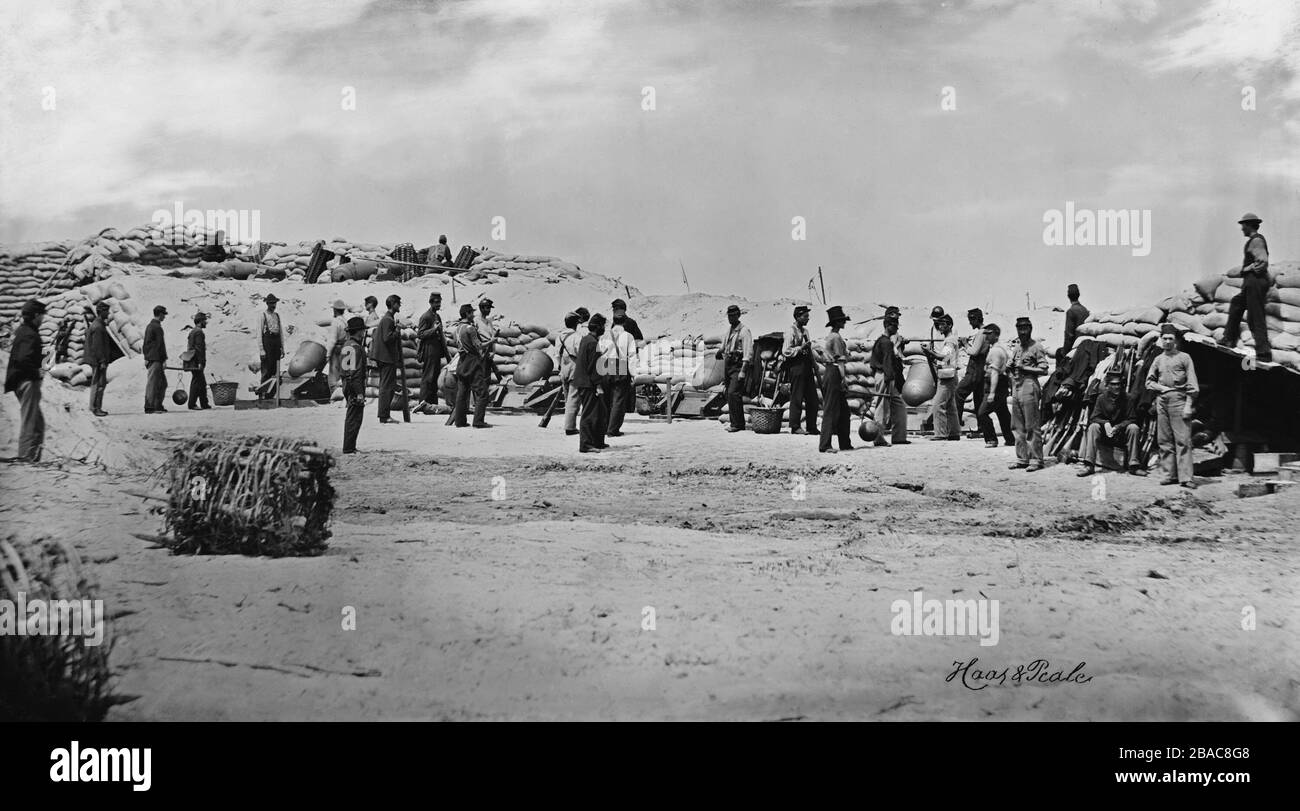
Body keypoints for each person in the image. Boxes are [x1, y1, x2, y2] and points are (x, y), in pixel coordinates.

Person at [1147, 323, 1200, 489]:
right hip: (1162, 401)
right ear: (1161, 340)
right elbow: (1149, 382)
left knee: (1183, 440)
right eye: (1164, 339)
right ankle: (1169, 475)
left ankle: (1186, 478)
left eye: (1170, 339)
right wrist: (1162, 388)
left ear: (1175, 340)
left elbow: (1192, 384)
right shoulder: (1158, 359)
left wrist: (1188, 405)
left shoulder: (1185, 358)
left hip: (1179, 400)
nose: (1167, 342)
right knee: (1164, 440)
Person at [1219, 213, 1273, 362]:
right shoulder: (1253, 240)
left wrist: (1246, 269)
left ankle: (1264, 351)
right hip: (1251, 282)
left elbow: (1262, 262)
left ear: (1249, 225)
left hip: (1255, 281)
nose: (1242, 228)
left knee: (1256, 315)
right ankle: (1229, 338)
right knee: (1237, 303)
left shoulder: (1256, 240)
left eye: (1243, 225)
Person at [1076, 372, 1143, 477]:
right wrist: (1105, 423)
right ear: (1107, 386)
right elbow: (1094, 418)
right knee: (1093, 427)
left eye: (1119, 384)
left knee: (1134, 428)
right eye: (1113, 384)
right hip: (1105, 434)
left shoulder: (1128, 398)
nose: (1117, 387)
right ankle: (1089, 465)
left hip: (1121, 434)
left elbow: (1132, 419)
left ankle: (1133, 465)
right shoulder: (1101, 398)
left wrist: (1118, 427)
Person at [5, 300, 47, 461]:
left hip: (25, 381)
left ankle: (33, 457)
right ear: (36, 315)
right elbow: (23, 359)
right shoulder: (29, 333)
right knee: (30, 422)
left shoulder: (25, 331)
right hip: (27, 382)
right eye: (42, 315)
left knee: (37, 423)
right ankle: (26, 458)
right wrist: (37, 371)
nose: (43, 318)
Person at [1007, 317, 1049, 471]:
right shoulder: (1017, 348)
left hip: (1030, 385)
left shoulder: (1036, 347)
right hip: (1017, 385)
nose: (1022, 332)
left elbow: (1044, 369)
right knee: (1017, 425)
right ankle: (1022, 458)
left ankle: (1036, 460)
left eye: (1025, 328)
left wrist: (1026, 369)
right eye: (1019, 328)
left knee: (1031, 424)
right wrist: (1010, 367)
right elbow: (1011, 367)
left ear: (1030, 329)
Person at [819, 306, 854, 453]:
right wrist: (843, 379)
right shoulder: (836, 338)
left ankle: (845, 443)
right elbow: (840, 361)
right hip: (834, 372)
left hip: (831, 372)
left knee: (844, 411)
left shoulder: (833, 336)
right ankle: (825, 445)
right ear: (837, 322)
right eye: (841, 321)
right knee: (830, 410)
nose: (844, 323)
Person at [869, 314, 908, 446]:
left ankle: (899, 437)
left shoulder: (882, 340)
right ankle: (878, 437)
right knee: (881, 407)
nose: (896, 328)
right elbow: (887, 363)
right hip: (886, 376)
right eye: (894, 325)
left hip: (886, 376)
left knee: (899, 406)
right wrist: (889, 379)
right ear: (888, 326)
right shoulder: (885, 343)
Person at [452, 304, 492, 428]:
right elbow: (478, 345)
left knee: (462, 394)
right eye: (471, 313)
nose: (473, 315)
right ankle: (478, 421)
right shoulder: (470, 329)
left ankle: (460, 421)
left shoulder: (456, 330)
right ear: (467, 314)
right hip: (472, 363)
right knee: (482, 393)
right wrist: (492, 341)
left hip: (461, 363)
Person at [574, 313, 609, 453]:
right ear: (598, 327)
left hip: (584, 381)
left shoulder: (586, 339)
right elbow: (594, 366)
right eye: (603, 326)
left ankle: (598, 441)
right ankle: (586, 444)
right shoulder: (592, 343)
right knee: (589, 414)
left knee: (600, 412)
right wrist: (598, 385)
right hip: (588, 383)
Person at [782, 305, 819, 435]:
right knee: (797, 396)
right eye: (805, 316)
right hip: (796, 366)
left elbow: (808, 349)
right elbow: (786, 351)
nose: (808, 319)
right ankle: (795, 426)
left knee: (813, 398)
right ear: (798, 317)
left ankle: (812, 426)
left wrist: (814, 363)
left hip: (807, 365)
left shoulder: (805, 331)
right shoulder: (791, 331)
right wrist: (799, 348)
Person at [978, 324, 1015, 448]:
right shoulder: (999, 349)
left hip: (996, 385)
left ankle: (991, 439)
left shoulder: (995, 351)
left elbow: (994, 373)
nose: (986, 336)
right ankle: (1010, 439)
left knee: (982, 413)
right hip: (1001, 384)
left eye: (989, 334)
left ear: (995, 334)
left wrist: (992, 393)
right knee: (1002, 412)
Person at [925, 313, 961, 440]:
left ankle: (940, 433)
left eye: (943, 324)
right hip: (950, 375)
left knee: (938, 404)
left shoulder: (950, 340)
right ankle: (954, 433)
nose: (940, 326)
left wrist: (930, 352)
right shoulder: (951, 339)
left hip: (947, 377)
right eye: (940, 324)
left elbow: (945, 356)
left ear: (950, 325)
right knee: (951, 406)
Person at [718, 304, 753, 432]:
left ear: (738, 315)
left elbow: (748, 352)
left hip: (738, 364)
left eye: (733, 315)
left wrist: (743, 370)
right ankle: (735, 422)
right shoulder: (729, 330)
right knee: (729, 393)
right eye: (729, 316)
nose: (731, 318)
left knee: (734, 392)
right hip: (729, 363)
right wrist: (720, 351)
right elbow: (724, 345)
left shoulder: (744, 331)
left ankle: (738, 424)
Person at [415, 292, 451, 413]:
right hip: (429, 350)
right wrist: (434, 329)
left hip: (436, 351)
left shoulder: (437, 316)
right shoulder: (426, 316)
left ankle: (432, 404)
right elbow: (420, 334)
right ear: (431, 302)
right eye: (436, 302)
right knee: (428, 378)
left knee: (435, 378)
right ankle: (423, 403)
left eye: (439, 302)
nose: (439, 304)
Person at [603, 310, 637, 437]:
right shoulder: (628, 336)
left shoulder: (605, 335)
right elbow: (632, 356)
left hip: (605, 366)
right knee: (618, 399)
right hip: (620, 366)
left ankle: (605, 427)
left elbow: (600, 352)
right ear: (624, 322)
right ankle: (613, 429)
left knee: (606, 399)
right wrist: (633, 374)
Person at [340, 317, 368, 454]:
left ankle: (349, 446)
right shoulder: (357, 348)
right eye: (362, 330)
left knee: (352, 414)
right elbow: (355, 373)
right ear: (359, 332)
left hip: (347, 383)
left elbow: (346, 372)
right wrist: (359, 392)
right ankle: (349, 447)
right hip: (354, 385)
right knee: (354, 417)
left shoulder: (347, 346)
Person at [955, 308, 987, 423]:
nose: (970, 323)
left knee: (958, 393)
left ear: (976, 319)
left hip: (974, 370)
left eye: (971, 320)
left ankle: (956, 425)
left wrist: (964, 344)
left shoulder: (981, 333)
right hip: (981, 370)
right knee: (978, 399)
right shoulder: (985, 332)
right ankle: (982, 427)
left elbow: (974, 352)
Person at [373, 294, 402, 424]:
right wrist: (397, 331)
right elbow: (387, 338)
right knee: (386, 387)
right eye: (398, 303)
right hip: (386, 358)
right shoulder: (388, 320)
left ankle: (385, 415)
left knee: (387, 385)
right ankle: (384, 416)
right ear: (393, 304)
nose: (400, 305)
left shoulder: (388, 319)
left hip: (385, 357)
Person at [84, 302, 113, 417]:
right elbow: (98, 347)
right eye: (107, 311)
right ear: (102, 312)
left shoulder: (98, 325)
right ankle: (96, 408)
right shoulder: (98, 327)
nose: (109, 313)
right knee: (99, 384)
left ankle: (94, 407)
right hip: (98, 361)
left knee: (97, 383)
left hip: (97, 360)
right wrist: (102, 361)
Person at [557, 311, 583, 436]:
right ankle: (570, 427)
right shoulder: (577, 337)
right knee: (574, 398)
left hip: (563, 368)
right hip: (574, 368)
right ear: (576, 324)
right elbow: (580, 353)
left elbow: (557, 355)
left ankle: (568, 423)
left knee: (567, 398)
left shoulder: (559, 336)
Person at [257, 294, 283, 401]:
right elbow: (259, 333)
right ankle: (262, 394)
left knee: (275, 371)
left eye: (274, 303)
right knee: (266, 370)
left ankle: (271, 395)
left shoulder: (277, 316)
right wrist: (261, 349)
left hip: (276, 343)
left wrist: (282, 347)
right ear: (267, 304)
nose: (273, 305)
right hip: (267, 343)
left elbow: (281, 332)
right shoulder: (263, 315)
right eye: (271, 303)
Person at [143, 305, 169, 413]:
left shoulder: (151, 326)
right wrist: (163, 359)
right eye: (164, 315)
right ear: (160, 314)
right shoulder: (156, 327)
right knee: (153, 383)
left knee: (162, 383)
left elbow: (146, 345)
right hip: (156, 359)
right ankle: (149, 407)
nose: (165, 317)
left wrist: (146, 357)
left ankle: (157, 405)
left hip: (154, 358)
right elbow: (160, 345)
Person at [186, 312, 211, 410]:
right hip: (197, 361)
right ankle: (192, 404)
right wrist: (201, 362)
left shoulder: (192, 331)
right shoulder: (199, 332)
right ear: (200, 321)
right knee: (197, 382)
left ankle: (204, 403)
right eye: (205, 320)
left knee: (201, 382)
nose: (206, 322)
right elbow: (199, 349)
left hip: (193, 360)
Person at [324, 299, 349, 392]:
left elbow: (332, 340)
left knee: (334, 375)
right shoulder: (344, 321)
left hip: (337, 350)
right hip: (345, 348)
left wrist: (328, 353)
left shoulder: (335, 322)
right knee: (343, 373)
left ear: (335, 310)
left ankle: (334, 394)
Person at [1062, 284, 1089, 353]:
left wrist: (1065, 352)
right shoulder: (1085, 310)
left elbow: (1069, 335)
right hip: (1087, 345)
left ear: (1068, 296)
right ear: (1078, 295)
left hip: (1076, 347)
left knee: (1059, 353)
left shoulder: (1071, 311)